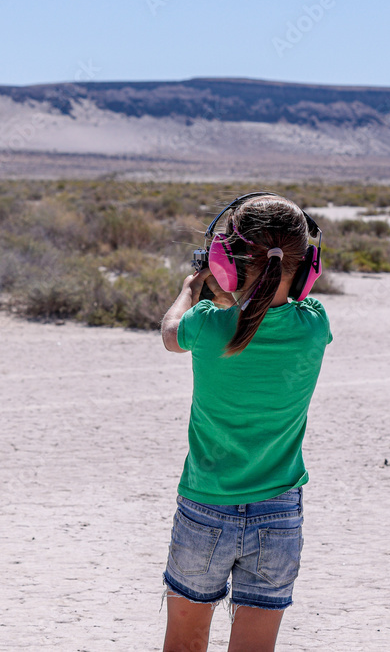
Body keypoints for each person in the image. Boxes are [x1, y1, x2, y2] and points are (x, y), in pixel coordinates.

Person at [158, 192, 332, 652]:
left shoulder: (205, 323)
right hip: (279, 513)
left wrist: (190, 290)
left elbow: (171, 335)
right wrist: (232, 297)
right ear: (307, 266)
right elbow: (267, 313)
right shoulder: (314, 325)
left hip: (205, 506)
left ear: (225, 261)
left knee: (184, 642)